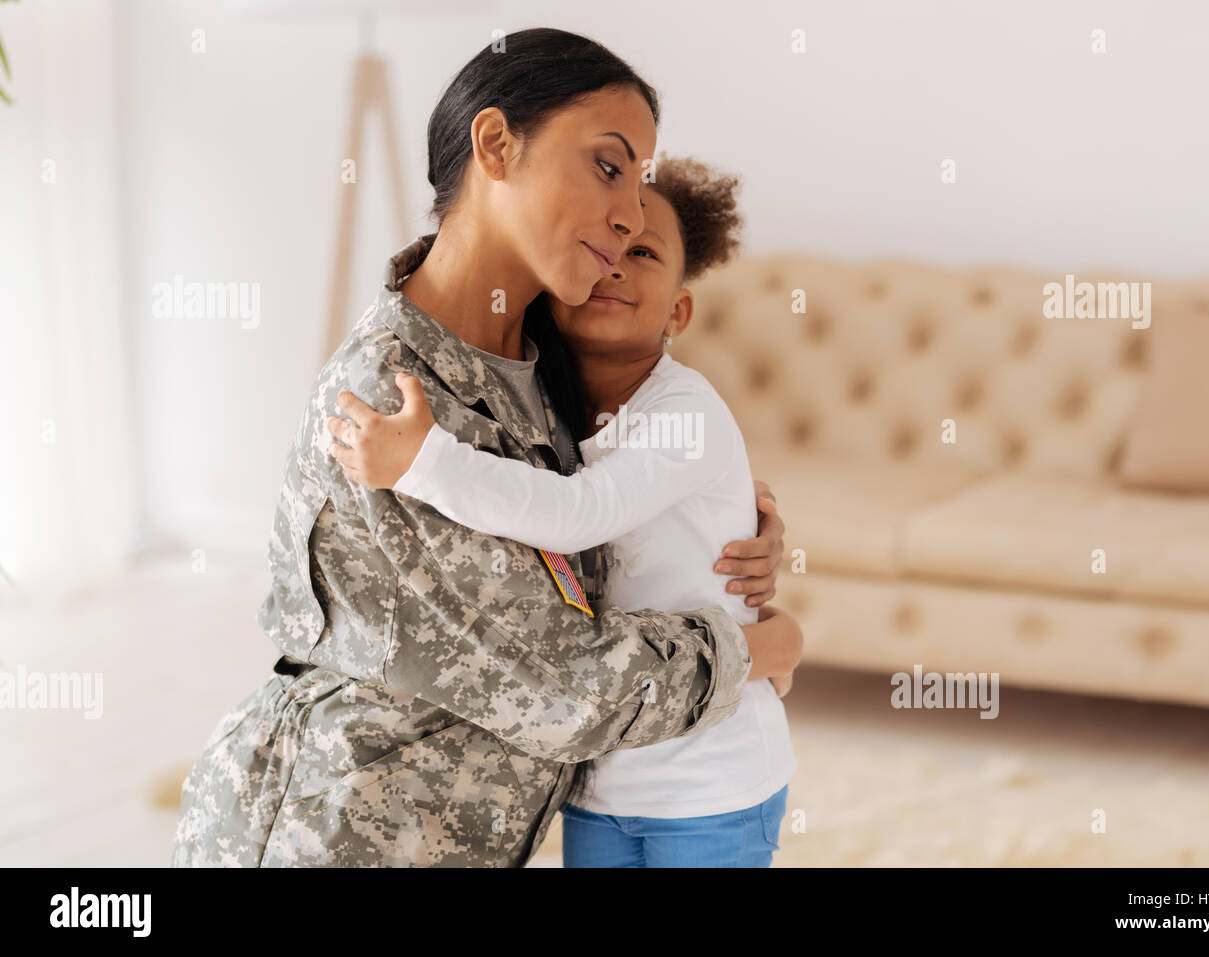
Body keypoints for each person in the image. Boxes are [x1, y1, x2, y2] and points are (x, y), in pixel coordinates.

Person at [170, 27, 799, 868]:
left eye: (642, 183)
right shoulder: (390, 401)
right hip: (335, 836)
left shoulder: (540, 364)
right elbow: (562, 686)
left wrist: (729, 531)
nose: (630, 211)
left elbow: (596, 529)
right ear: (497, 144)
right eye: (609, 166)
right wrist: (762, 647)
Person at [328, 155, 800, 867]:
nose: (615, 264)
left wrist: (423, 460)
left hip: (712, 783)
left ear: (678, 310)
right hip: (601, 785)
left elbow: (579, 512)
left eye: (642, 252)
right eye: (604, 249)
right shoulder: (542, 414)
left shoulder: (688, 411)